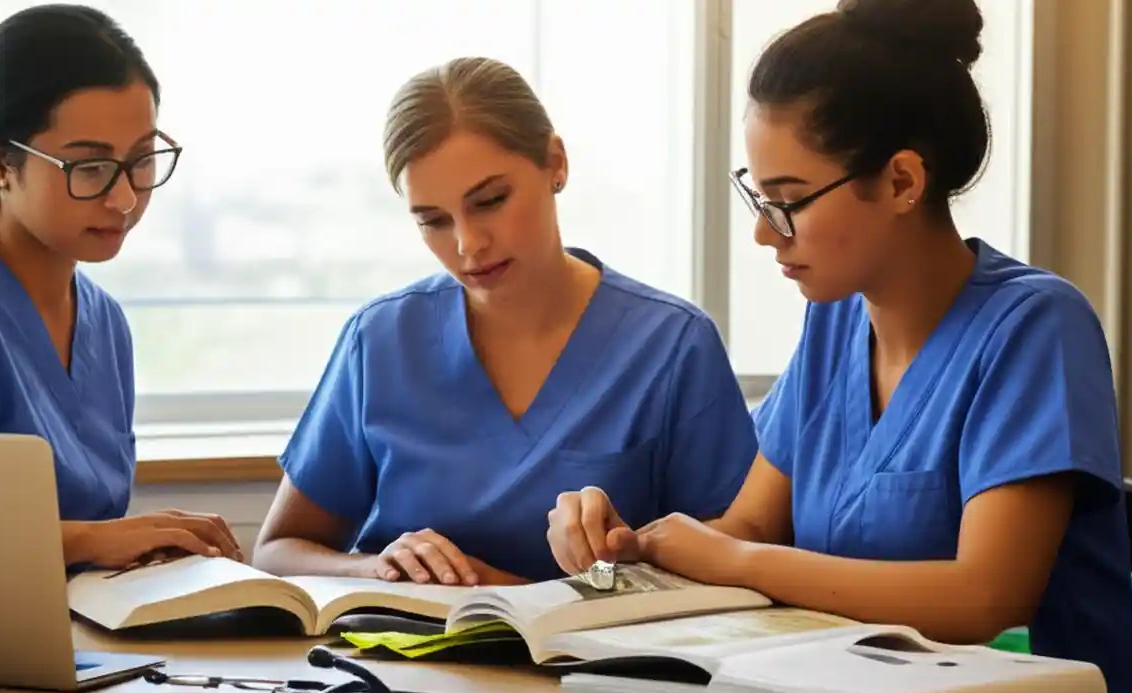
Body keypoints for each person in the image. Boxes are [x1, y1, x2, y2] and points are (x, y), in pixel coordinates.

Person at [547, 0, 1132, 693]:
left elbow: (985, 598)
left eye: (788, 201)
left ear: (901, 182)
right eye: (757, 198)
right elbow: (749, 525)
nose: (766, 235)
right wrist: (626, 549)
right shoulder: (833, 326)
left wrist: (739, 560)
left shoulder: (1036, 327)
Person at [253, 57, 758, 586]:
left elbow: (732, 565)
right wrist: (373, 567)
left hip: (589, 665)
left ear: (555, 163)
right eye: (433, 221)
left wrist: (606, 564)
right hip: (397, 660)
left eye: (491, 201)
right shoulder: (380, 340)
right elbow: (276, 551)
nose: (469, 245)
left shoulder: (672, 346)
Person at [0, 4, 241, 569]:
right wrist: (93, 540)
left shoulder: (106, 321)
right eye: (89, 168)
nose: (124, 199)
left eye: (142, 160)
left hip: (82, 643)